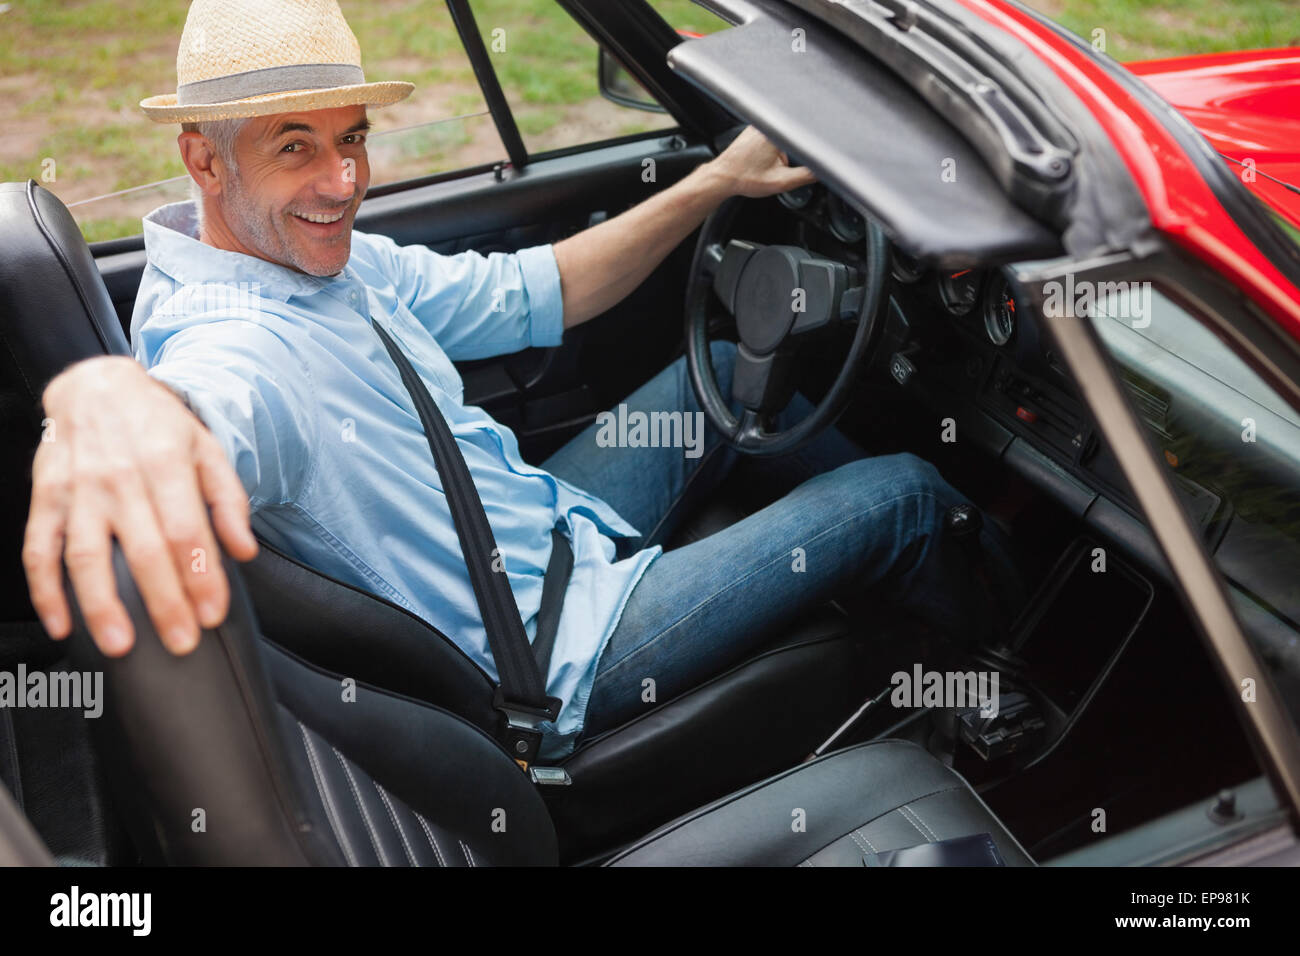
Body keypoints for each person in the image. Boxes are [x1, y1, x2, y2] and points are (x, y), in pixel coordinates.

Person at [23, 0, 1012, 760]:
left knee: (722, 369)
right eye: (295, 147)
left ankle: (865, 605)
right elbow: (199, 410)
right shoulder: (234, 347)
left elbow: (542, 289)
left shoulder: (318, 261)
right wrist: (102, 400)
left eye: (352, 136)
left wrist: (713, 182)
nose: (341, 180)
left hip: (544, 527)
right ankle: (992, 688)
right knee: (906, 499)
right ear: (201, 156)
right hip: (555, 652)